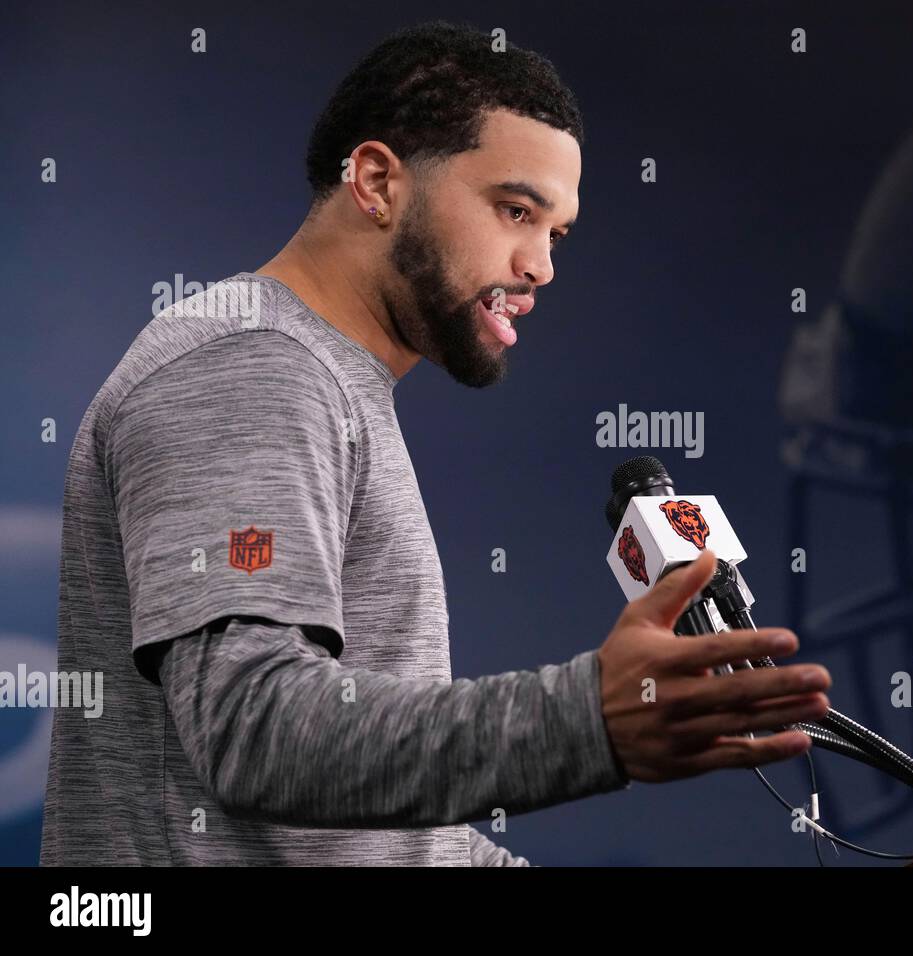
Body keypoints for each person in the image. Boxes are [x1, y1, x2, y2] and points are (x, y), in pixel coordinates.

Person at [39, 20, 830, 866]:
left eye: (555, 234)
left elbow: (385, 843)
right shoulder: (251, 368)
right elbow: (250, 729)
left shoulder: (326, 380)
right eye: (515, 210)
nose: (542, 267)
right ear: (378, 181)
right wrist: (586, 719)